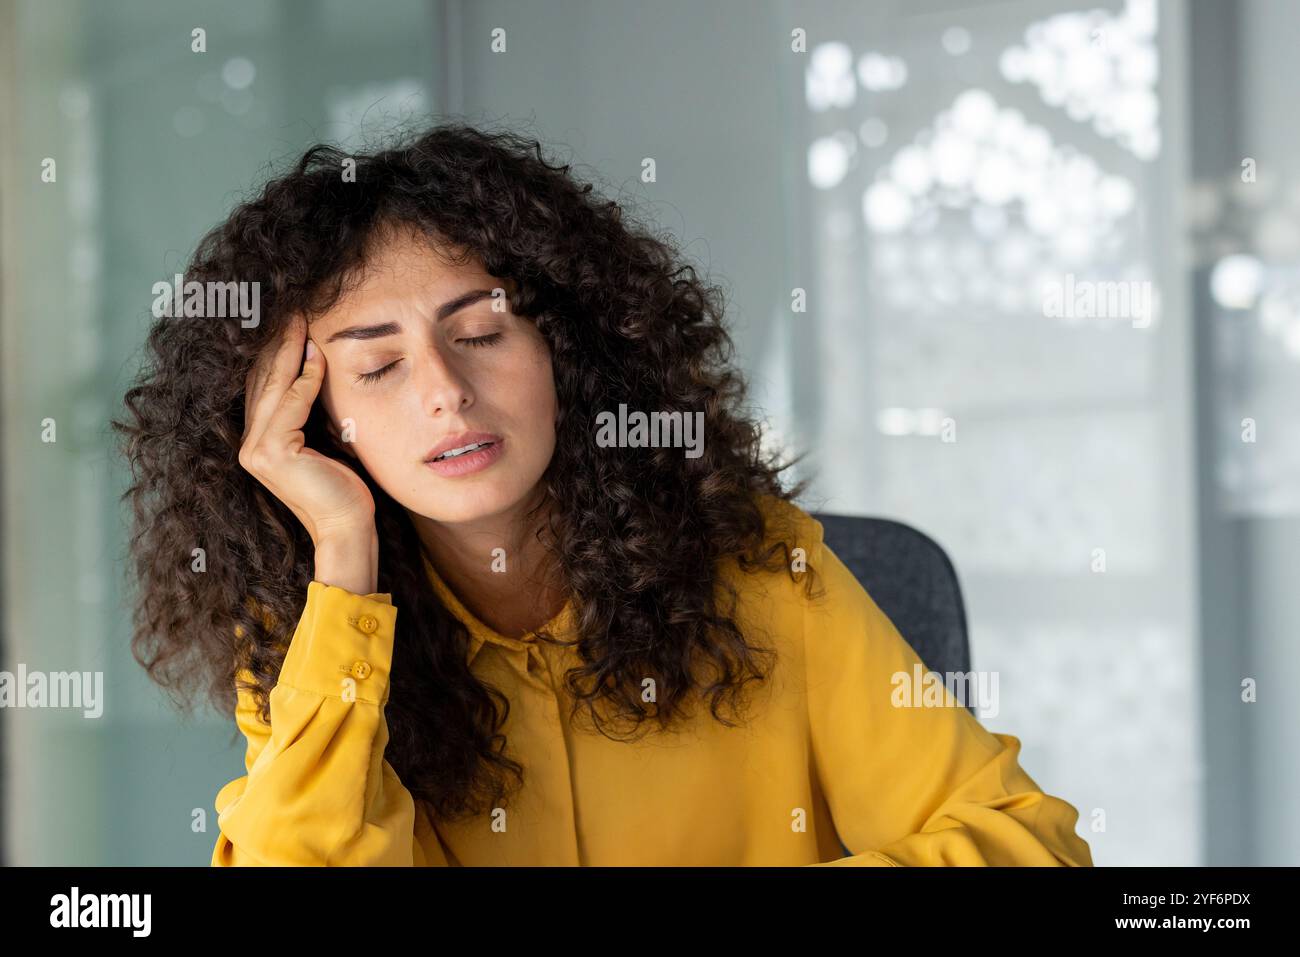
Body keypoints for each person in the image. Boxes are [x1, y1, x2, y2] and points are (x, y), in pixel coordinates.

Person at [113, 123, 1093, 867]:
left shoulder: (760, 569)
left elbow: (1028, 848)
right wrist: (340, 543)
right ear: (315, 420)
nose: (446, 391)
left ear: (567, 351)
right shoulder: (307, 633)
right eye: (376, 368)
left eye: (484, 333)